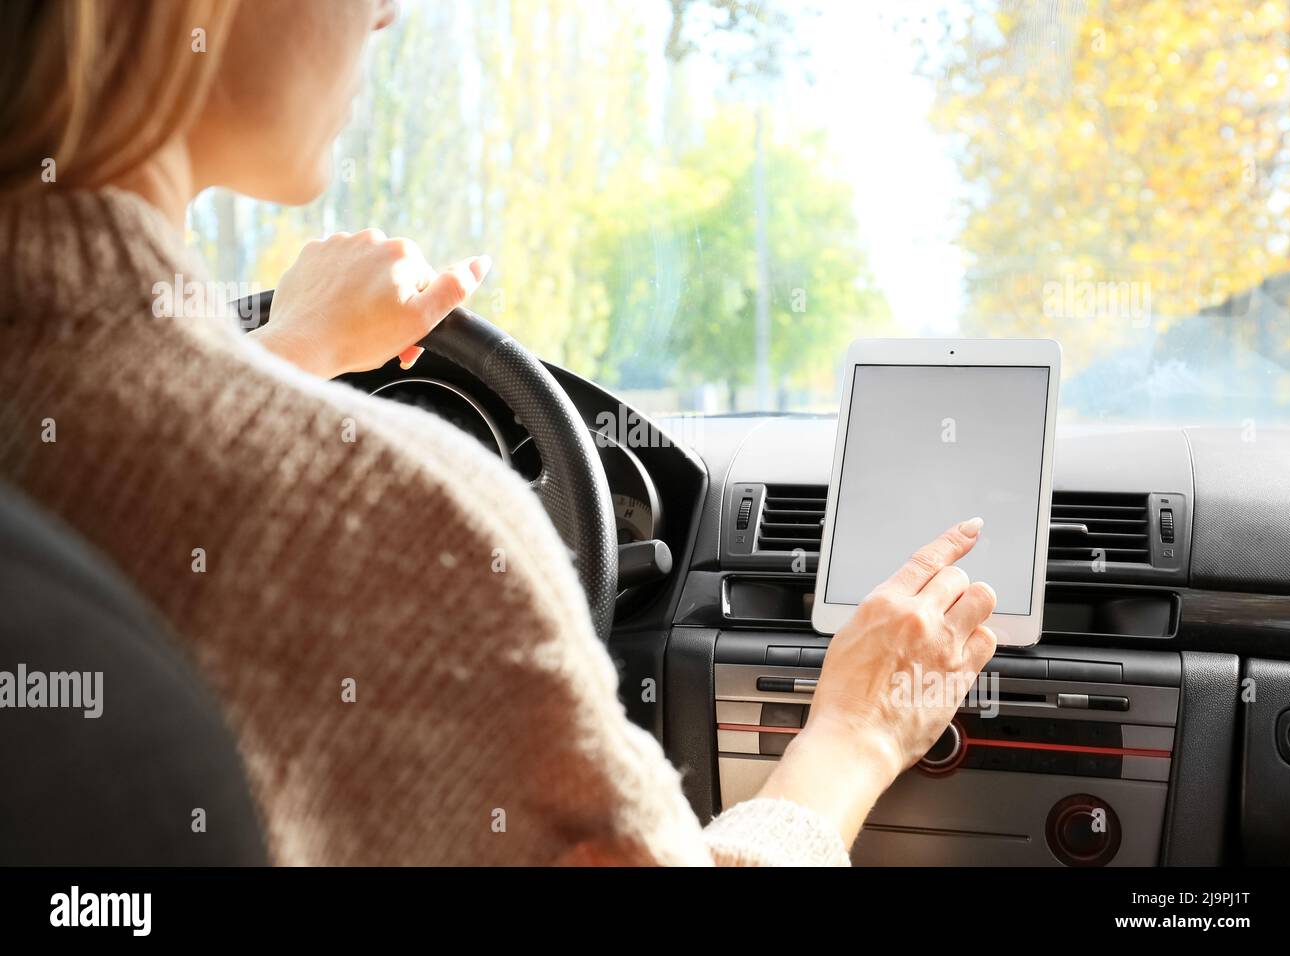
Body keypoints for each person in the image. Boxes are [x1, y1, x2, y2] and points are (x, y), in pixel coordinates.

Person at [0, 0, 997, 865]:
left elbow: (99, 466)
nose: (386, 13)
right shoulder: (391, 520)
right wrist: (856, 731)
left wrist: (281, 352)